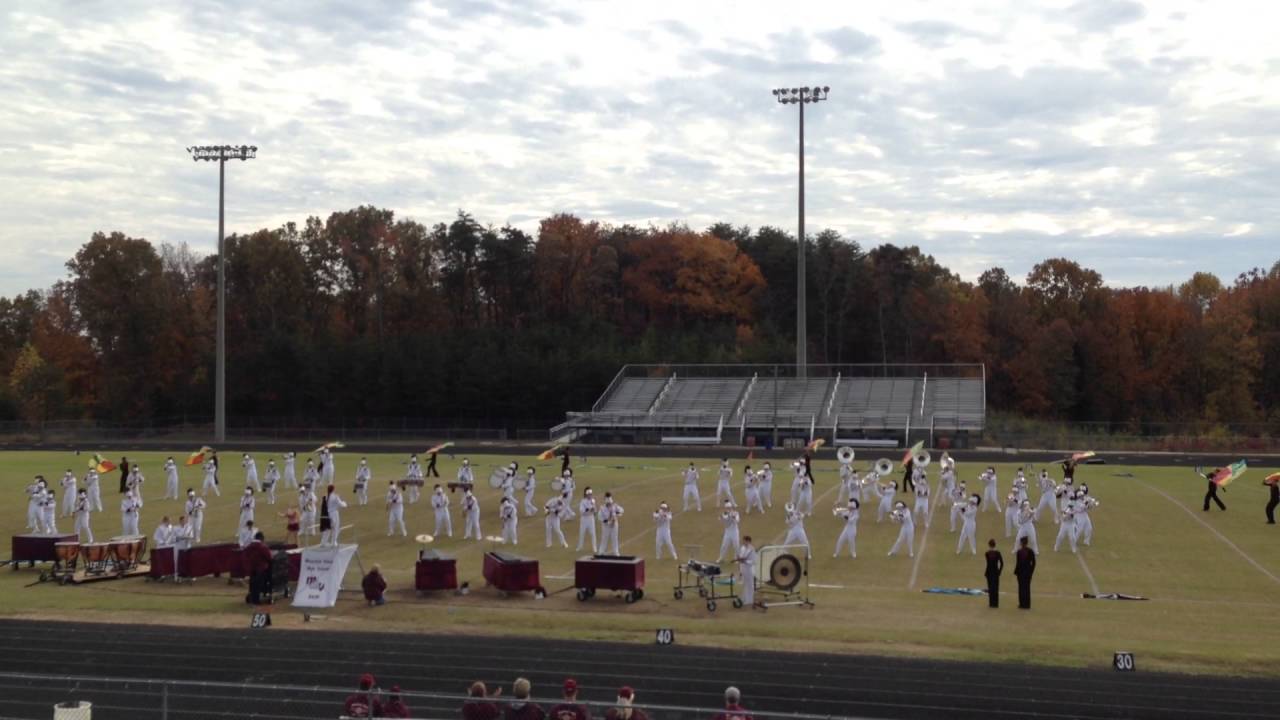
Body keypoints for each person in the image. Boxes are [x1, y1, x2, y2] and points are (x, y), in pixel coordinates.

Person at [245, 530, 273, 604]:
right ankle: (257, 600)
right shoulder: (263, 547)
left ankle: (252, 597)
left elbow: (245, 556)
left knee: (253, 584)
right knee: (259, 584)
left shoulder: (249, 547)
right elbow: (269, 557)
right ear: (262, 539)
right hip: (261, 569)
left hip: (251, 569)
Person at [1014, 536, 1036, 609]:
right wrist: (1031, 571)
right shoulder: (1030, 551)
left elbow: (1018, 563)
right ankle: (1027, 604)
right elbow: (1033, 563)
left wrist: (1016, 572)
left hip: (1021, 573)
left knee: (1021, 588)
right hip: (1027, 573)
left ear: (1022, 543)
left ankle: (1022, 604)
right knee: (1027, 588)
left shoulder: (1019, 552)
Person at [735, 535, 757, 608]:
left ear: (748, 541)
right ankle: (744, 598)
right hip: (743, 569)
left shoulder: (752, 549)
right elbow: (741, 557)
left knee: (750, 585)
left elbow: (753, 561)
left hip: (749, 569)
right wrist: (739, 559)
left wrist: (745, 561)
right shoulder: (743, 548)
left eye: (744, 540)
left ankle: (750, 600)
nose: (743, 542)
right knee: (745, 584)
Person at [577, 488, 599, 553]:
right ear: (586, 495)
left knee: (592, 533)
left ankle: (594, 548)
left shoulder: (593, 501)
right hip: (584, 519)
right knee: (582, 533)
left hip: (591, 519)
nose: (590, 495)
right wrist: (589, 510)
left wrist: (594, 511)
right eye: (589, 494)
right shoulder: (582, 501)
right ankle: (580, 547)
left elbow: (595, 511)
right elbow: (582, 511)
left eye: (591, 494)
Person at [984, 539, 1003, 608]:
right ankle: (996, 603)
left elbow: (988, 564)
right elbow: (1001, 563)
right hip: (995, 572)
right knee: (996, 587)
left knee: (990, 587)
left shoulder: (987, 553)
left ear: (989, 545)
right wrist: (999, 571)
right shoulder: (998, 553)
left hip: (989, 572)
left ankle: (991, 603)